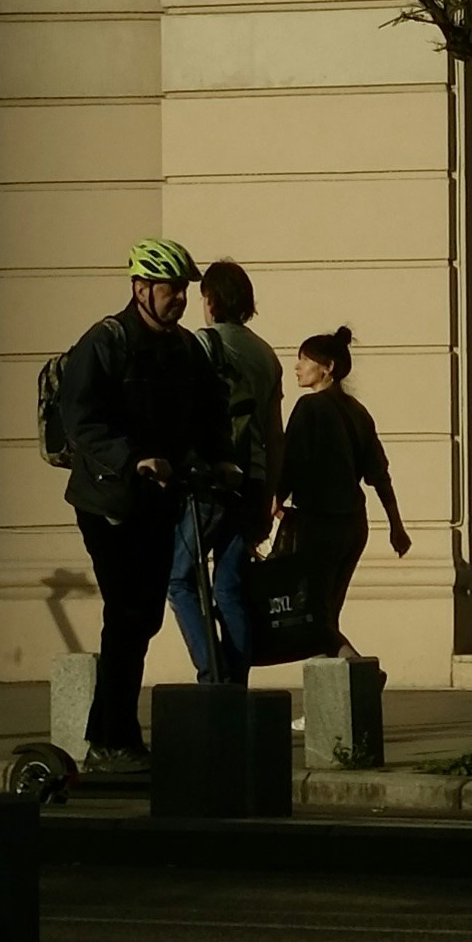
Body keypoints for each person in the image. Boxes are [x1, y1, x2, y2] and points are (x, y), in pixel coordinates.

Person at [43, 232, 232, 761]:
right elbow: (79, 420)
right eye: (171, 288)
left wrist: (218, 456)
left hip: (158, 500)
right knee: (128, 612)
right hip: (108, 503)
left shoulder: (183, 348)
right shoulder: (105, 342)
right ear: (141, 287)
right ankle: (116, 736)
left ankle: (106, 734)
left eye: (184, 290)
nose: (180, 298)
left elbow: (208, 409)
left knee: (141, 616)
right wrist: (133, 458)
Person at [258, 324, 412, 663]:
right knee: (329, 611)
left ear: (326, 368)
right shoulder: (358, 412)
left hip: (320, 524)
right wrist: (396, 526)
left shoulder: (308, 408)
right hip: (354, 526)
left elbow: (289, 463)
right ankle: (337, 703)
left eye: (304, 360)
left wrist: (271, 504)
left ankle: (356, 668)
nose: (296, 367)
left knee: (314, 615)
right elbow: (378, 475)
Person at [167, 255, 282, 692]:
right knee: (229, 586)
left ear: (210, 300)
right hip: (252, 482)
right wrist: (270, 491)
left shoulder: (204, 343)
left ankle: (212, 676)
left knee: (179, 579)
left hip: (212, 479)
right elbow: (275, 432)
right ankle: (236, 683)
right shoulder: (265, 354)